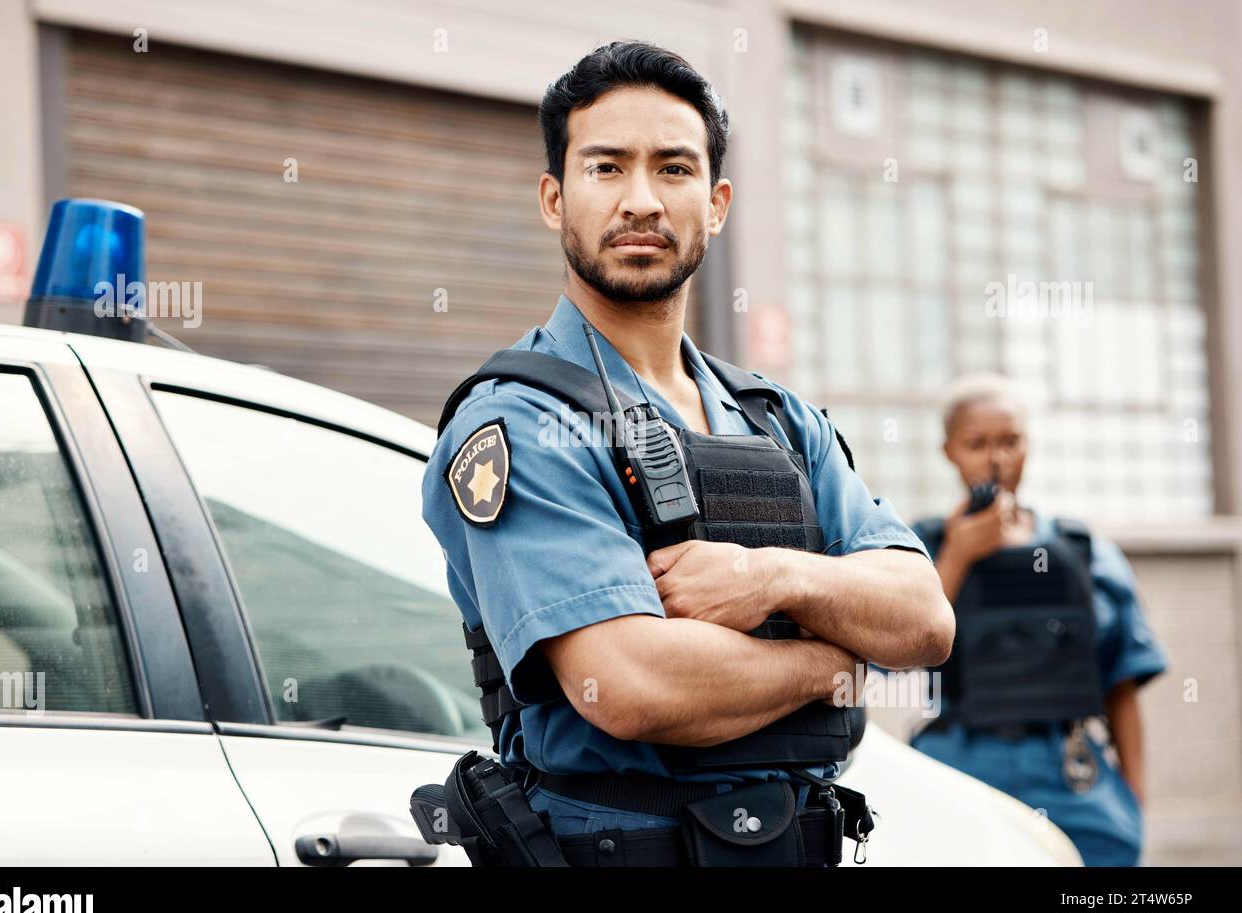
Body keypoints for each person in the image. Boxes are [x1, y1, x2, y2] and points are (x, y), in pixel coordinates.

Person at [417, 40, 953, 867]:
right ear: (555, 199)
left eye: (673, 168)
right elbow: (636, 684)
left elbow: (922, 618)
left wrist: (772, 578)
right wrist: (839, 655)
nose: (641, 201)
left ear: (718, 202)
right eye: (606, 169)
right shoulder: (522, 424)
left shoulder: (780, 420)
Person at [909, 372, 1169, 866]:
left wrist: (1134, 803)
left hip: (1070, 772)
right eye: (977, 443)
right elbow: (887, 651)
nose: (995, 458)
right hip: (962, 764)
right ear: (949, 451)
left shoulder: (1082, 552)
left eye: (1009, 441)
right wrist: (958, 558)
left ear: (1029, 445)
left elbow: (1122, 682)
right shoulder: (920, 551)